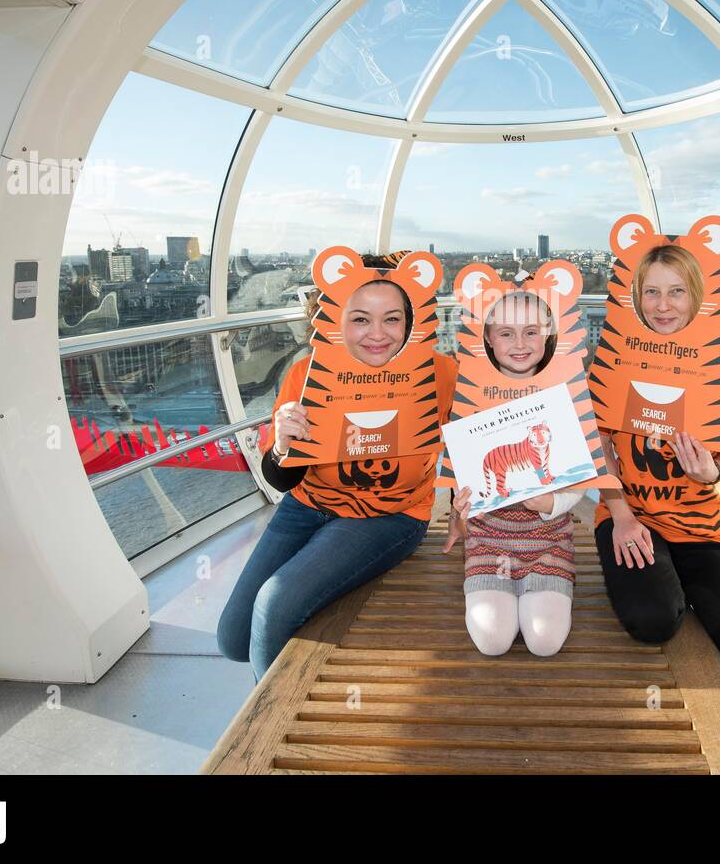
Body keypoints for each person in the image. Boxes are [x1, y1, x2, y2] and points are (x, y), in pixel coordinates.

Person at [216, 254, 457, 680]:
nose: (378, 335)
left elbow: (480, 433)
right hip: (306, 506)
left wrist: (461, 507)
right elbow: (281, 477)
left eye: (392, 319)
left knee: (274, 603)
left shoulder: (439, 373)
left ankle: (266, 728)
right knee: (232, 638)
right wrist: (283, 444)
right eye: (361, 319)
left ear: (411, 321)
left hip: (389, 515)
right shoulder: (306, 374)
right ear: (334, 319)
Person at [595, 243, 720, 748]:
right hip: (632, 517)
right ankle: (671, 583)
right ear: (635, 297)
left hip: (705, 524)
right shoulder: (613, 363)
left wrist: (711, 471)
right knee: (652, 622)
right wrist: (622, 515)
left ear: (699, 296)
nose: (663, 305)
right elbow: (601, 448)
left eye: (677, 291)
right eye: (651, 291)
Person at [445, 291, 585, 657]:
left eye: (531, 332)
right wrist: (458, 509)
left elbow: (580, 474)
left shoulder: (567, 391)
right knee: (492, 642)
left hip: (549, 539)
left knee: (544, 642)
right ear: (488, 337)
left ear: (549, 333)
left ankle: (546, 583)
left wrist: (553, 501)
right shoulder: (469, 393)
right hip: (488, 540)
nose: (519, 344)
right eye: (506, 333)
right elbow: (460, 471)